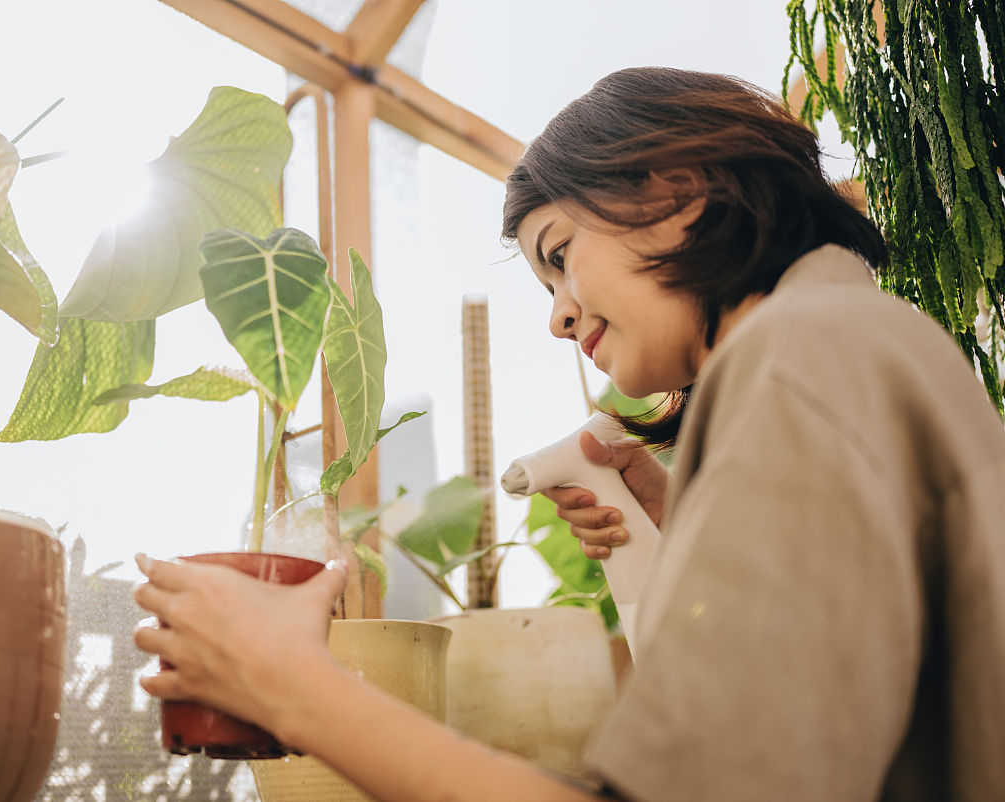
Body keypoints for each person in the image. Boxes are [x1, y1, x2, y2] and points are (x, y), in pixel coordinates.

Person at [132, 67, 1005, 801]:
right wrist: (694, 528)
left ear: (676, 191)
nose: (557, 318)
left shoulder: (800, 358)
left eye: (558, 254)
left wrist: (290, 687)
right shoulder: (855, 346)